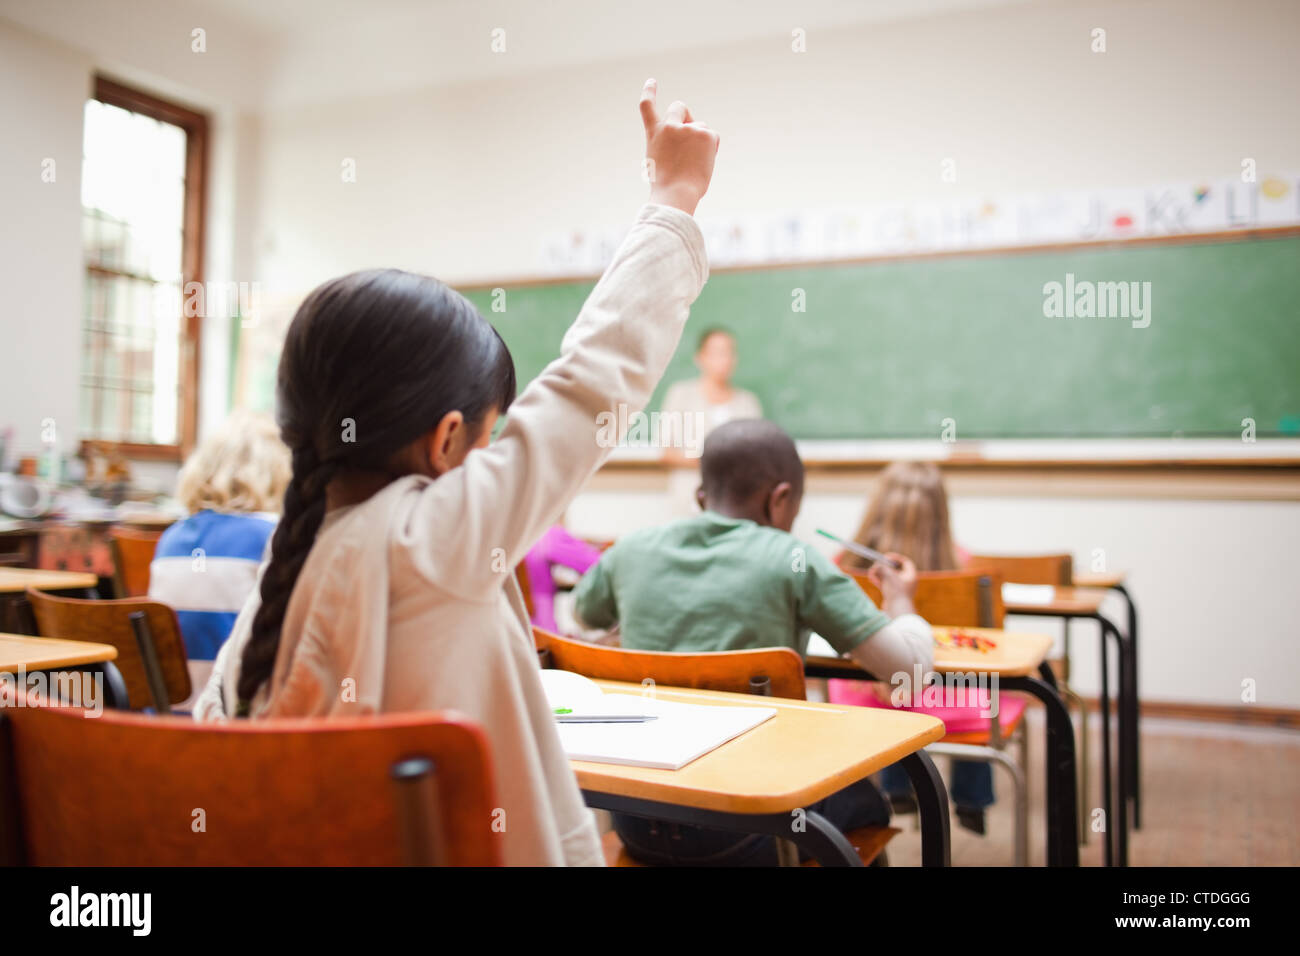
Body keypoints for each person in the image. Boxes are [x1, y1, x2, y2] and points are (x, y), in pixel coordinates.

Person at [193, 79, 720, 867]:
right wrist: (674, 195)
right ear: (446, 442)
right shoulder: (436, 535)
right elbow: (592, 380)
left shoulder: (291, 551)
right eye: (489, 437)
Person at [573, 419, 933, 864]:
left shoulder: (630, 551)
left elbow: (583, 616)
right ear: (780, 500)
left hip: (636, 823)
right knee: (868, 801)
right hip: (758, 828)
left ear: (701, 497)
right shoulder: (794, 561)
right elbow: (910, 674)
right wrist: (900, 600)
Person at [834, 460, 995, 835]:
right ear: (940, 512)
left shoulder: (842, 566)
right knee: (975, 689)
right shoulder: (963, 569)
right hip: (944, 703)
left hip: (860, 700)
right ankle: (972, 800)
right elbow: (977, 650)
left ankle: (898, 785)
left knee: (893, 689)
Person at [148, 409, 290, 704]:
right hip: (233, 722)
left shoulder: (170, 538)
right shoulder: (274, 537)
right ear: (280, 471)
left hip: (165, 720)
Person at [660, 328, 762, 514]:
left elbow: (756, 455)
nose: (724, 359)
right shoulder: (681, 395)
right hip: (688, 497)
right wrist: (710, 462)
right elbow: (667, 453)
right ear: (700, 357)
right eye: (717, 353)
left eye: (729, 352)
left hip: (736, 499)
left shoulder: (748, 403)